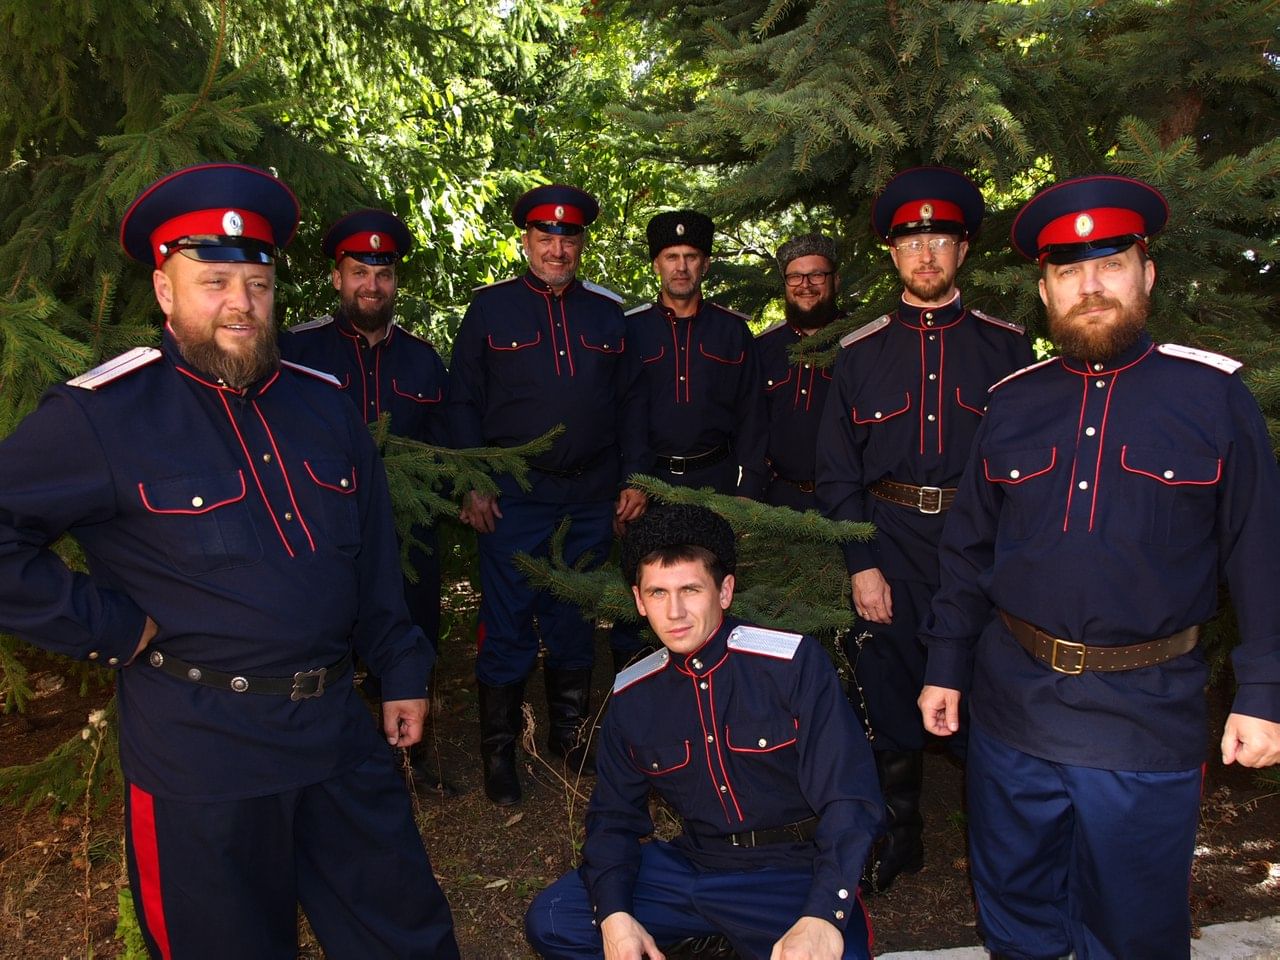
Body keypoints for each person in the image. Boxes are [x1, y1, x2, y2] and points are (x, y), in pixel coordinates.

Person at [0, 164, 459, 958]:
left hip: (335, 734)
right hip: (200, 752)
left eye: (257, 281)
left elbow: (373, 556)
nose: (241, 304)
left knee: (405, 935)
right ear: (165, 291)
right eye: (214, 281)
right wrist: (108, 626)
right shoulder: (104, 416)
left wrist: (402, 667)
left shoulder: (322, 405)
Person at [918, 174, 1280, 960]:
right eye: (1069, 272)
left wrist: (1264, 694)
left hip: (1146, 720)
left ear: (1146, 274)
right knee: (1017, 916)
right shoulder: (1012, 403)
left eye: (1111, 264)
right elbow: (968, 550)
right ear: (1044, 290)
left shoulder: (1212, 398)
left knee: (1134, 932)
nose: (1091, 287)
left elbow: (1260, 554)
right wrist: (945, 666)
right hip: (1013, 712)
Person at [524, 503, 881, 960]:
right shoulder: (634, 696)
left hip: (790, 872)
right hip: (692, 866)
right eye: (657, 593)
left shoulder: (790, 665)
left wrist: (822, 913)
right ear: (638, 600)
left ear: (725, 590)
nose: (674, 612)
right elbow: (613, 819)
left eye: (690, 589)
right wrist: (614, 916)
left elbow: (850, 798)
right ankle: (709, 941)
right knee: (555, 919)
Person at [815, 166, 1033, 892]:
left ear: (963, 251)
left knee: (986, 688)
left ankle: (997, 848)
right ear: (893, 255)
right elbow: (837, 472)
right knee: (888, 687)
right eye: (913, 243)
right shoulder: (859, 353)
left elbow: (1028, 468)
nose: (928, 255)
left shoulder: (1007, 349)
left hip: (979, 551)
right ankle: (899, 836)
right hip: (892, 544)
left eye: (941, 239)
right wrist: (860, 563)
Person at [448, 184, 649, 805]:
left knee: (574, 614)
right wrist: (474, 482)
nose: (557, 248)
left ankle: (568, 735)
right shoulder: (490, 311)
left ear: (581, 243)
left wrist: (634, 477)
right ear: (526, 241)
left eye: (568, 238)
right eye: (545, 237)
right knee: (506, 620)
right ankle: (501, 755)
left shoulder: (609, 315)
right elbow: (461, 405)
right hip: (513, 497)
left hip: (590, 494)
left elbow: (632, 405)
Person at [281, 208, 453, 793]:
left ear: (395, 281)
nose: (371, 285)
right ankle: (343, 766)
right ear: (337, 278)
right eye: (359, 272)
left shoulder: (422, 359)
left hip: (409, 536)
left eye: (382, 273)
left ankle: (414, 760)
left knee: (413, 632)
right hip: (318, 532)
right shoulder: (295, 353)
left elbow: (444, 451)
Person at [610, 209, 766, 670]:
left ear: (706, 265)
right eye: (671, 256)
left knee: (709, 598)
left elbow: (753, 417)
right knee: (644, 603)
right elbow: (617, 414)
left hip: (714, 482)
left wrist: (747, 497)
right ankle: (636, 704)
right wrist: (627, 481)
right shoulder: (629, 330)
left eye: (691, 256)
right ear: (656, 264)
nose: (681, 266)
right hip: (647, 485)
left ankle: (711, 696)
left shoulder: (733, 332)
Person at [754, 233, 843, 511]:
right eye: (795, 277)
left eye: (817, 275)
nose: (805, 285)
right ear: (785, 285)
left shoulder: (860, 345)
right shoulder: (762, 349)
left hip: (844, 501)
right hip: (775, 501)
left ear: (835, 281)